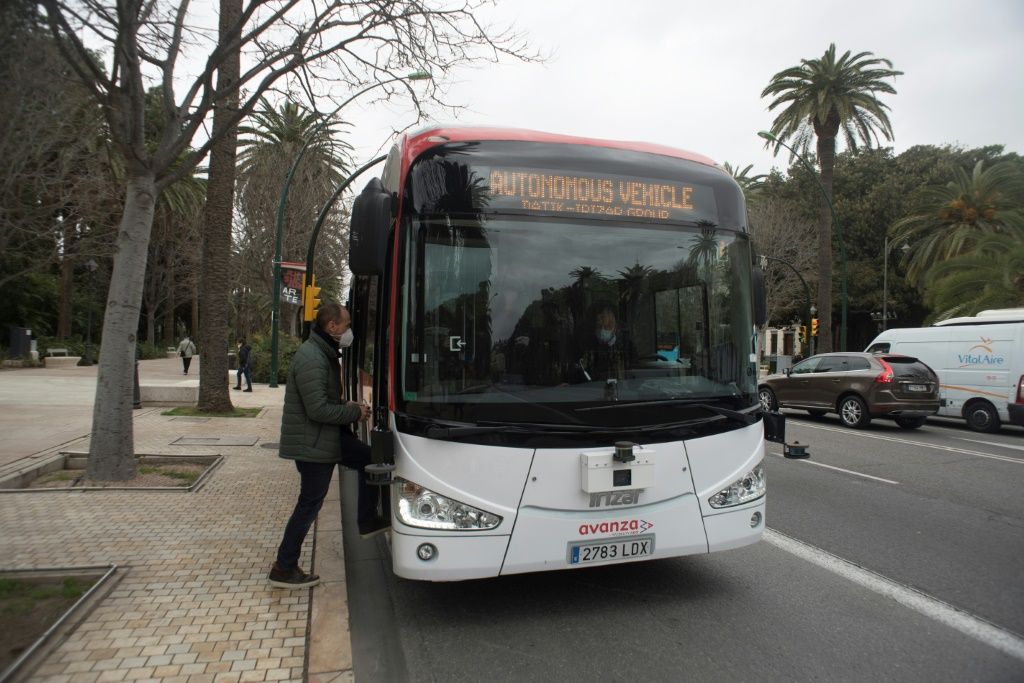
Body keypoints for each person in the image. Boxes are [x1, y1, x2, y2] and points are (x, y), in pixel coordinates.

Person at [269, 302, 388, 589]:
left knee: (370, 460)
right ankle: (284, 568)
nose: (348, 331)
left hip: (323, 438)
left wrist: (345, 404)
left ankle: (368, 519)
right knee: (309, 503)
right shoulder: (313, 357)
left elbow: (321, 402)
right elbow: (318, 410)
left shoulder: (320, 352)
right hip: (314, 443)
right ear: (332, 326)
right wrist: (353, 412)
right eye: (346, 325)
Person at [570, 303, 634, 385]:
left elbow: (635, 372)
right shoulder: (584, 347)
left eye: (607, 326)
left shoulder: (627, 345)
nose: (603, 330)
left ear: (615, 327)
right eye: (599, 326)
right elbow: (575, 375)